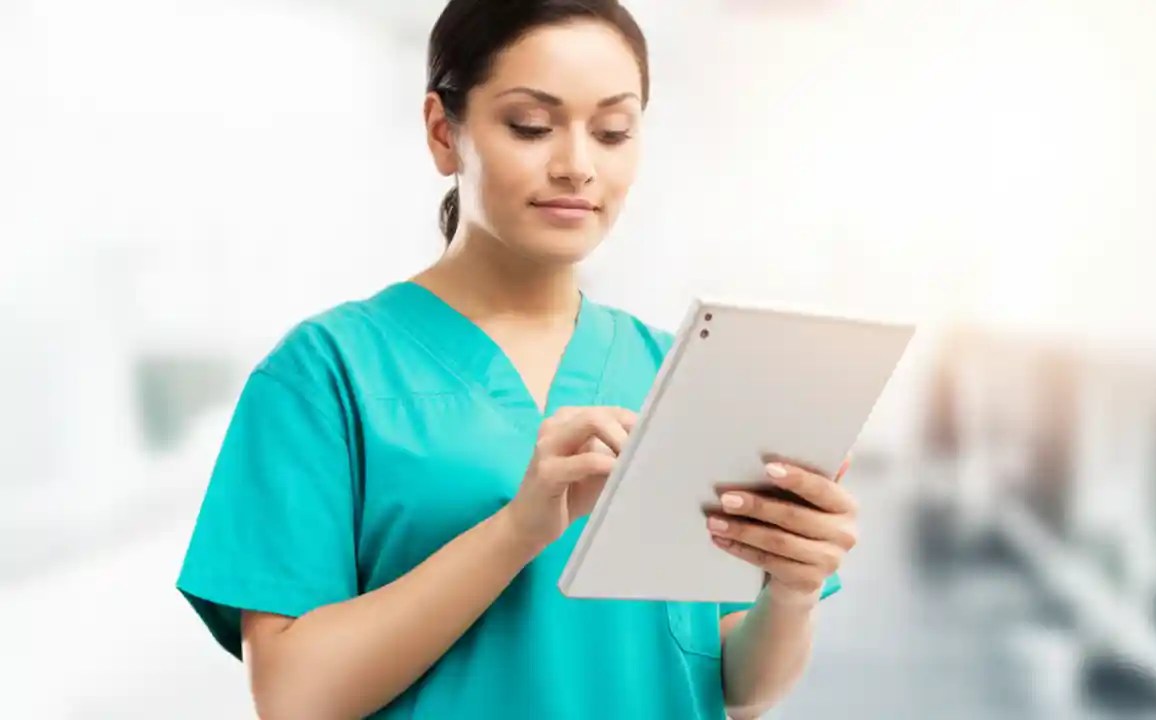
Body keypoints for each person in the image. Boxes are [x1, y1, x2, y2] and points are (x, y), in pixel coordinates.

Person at [176, 0, 860, 717]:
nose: (577, 166)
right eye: (531, 126)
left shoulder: (687, 374)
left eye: (613, 131)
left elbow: (737, 690)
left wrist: (794, 590)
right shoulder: (325, 376)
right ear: (445, 132)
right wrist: (519, 529)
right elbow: (293, 699)